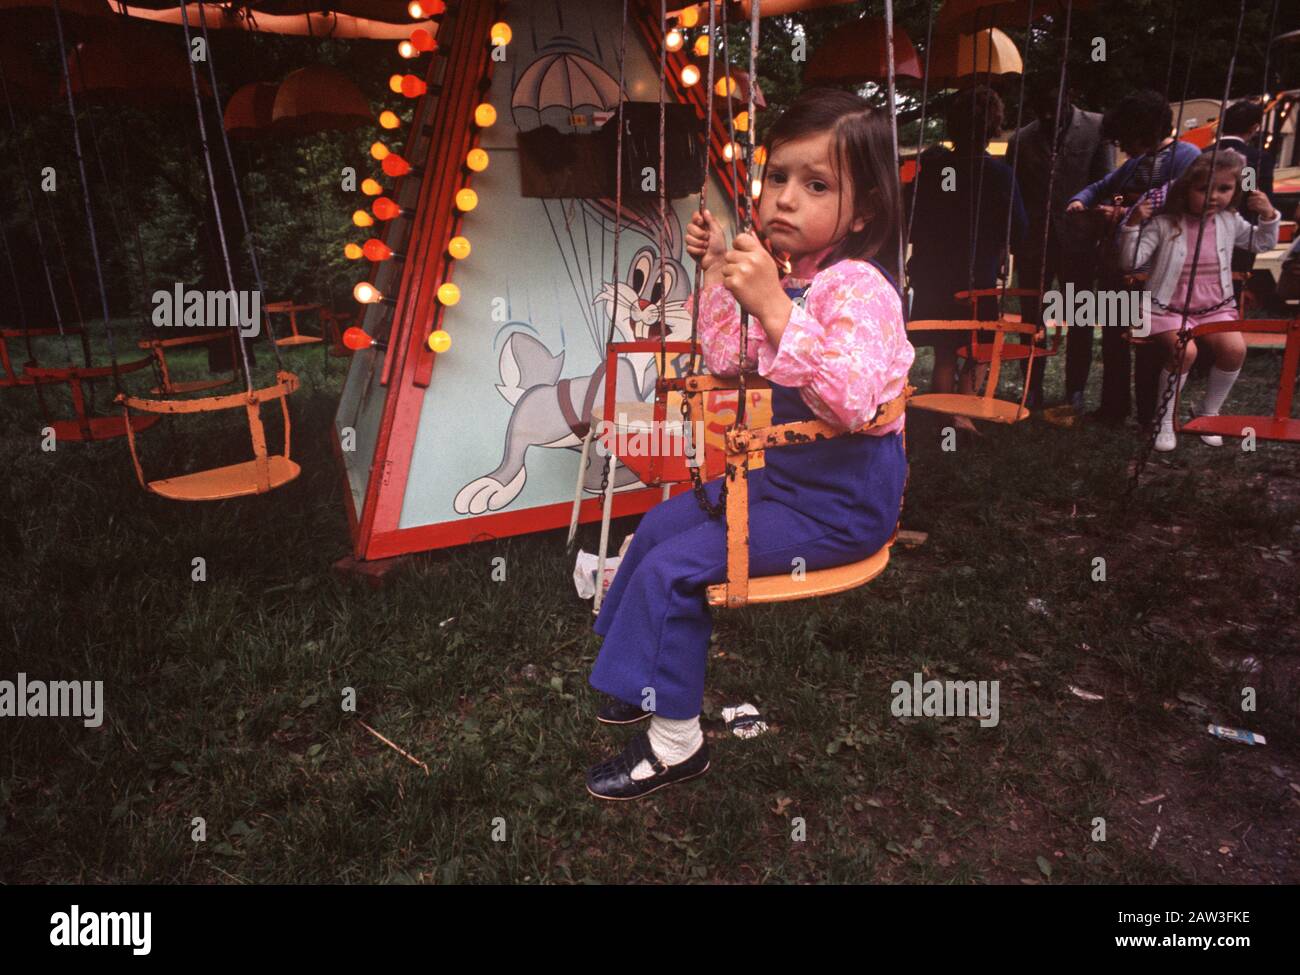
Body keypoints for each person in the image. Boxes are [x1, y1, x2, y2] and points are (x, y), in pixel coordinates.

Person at [584, 88, 914, 800]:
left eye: (816, 184)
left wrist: (770, 304)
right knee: (658, 525)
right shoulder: (794, 277)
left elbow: (852, 401)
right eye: (778, 178)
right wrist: (721, 278)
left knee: (679, 568)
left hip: (841, 505)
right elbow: (729, 355)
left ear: (861, 213)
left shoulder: (860, 288)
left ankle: (677, 745)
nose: (784, 199)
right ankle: (637, 674)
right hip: (782, 484)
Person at [1119, 149, 1279, 452]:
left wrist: (1268, 215)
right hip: (1165, 308)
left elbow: (1262, 242)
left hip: (1213, 307)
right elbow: (1130, 263)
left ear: (1234, 191)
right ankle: (1164, 419)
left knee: (1235, 349)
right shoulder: (1166, 223)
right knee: (1185, 351)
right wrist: (1133, 225)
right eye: (1203, 189)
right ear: (1186, 189)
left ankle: (1209, 413)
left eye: (1224, 189)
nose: (1213, 197)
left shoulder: (1229, 221)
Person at [1068, 90, 1201, 429]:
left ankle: (1150, 414)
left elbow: (1177, 202)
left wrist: (1123, 212)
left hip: (1156, 269)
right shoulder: (1136, 163)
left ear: (1144, 131)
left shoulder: (1187, 158)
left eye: (1125, 138)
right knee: (1114, 337)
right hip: (1120, 264)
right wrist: (1081, 201)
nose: (1122, 146)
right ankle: (1113, 408)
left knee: (1150, 344)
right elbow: (1099, 184)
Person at [908, 85, 1026, 432]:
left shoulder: (933, 168)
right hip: (977, 274)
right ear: (994, 127)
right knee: (978, 347)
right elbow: (1019, 227)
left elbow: (913, 221)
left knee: (946, 347)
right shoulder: (1000, 175)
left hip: (936, 271)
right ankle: (962, 412)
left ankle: (945, 416)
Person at [1006, 86, 1114, 411]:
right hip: (1034, 243)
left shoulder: (1097, 128)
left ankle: (1075, 390)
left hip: (1080, 240)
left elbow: (1105, 182)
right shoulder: (1020, 140)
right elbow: (1014, 195)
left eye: (1054, 108)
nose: (1049, 117)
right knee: (1031, 318)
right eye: (1041, 111)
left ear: (1068, 98)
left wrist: (1098, 227)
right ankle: (1031, 387)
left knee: (1080, 316)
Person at [1211, 98, 1277, 298]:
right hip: (1240, 233)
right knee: (1232, 288)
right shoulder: (1255, 159)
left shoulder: (1204, 153)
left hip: (1201, 227)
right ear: (1254, 127)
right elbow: (1255, 196)